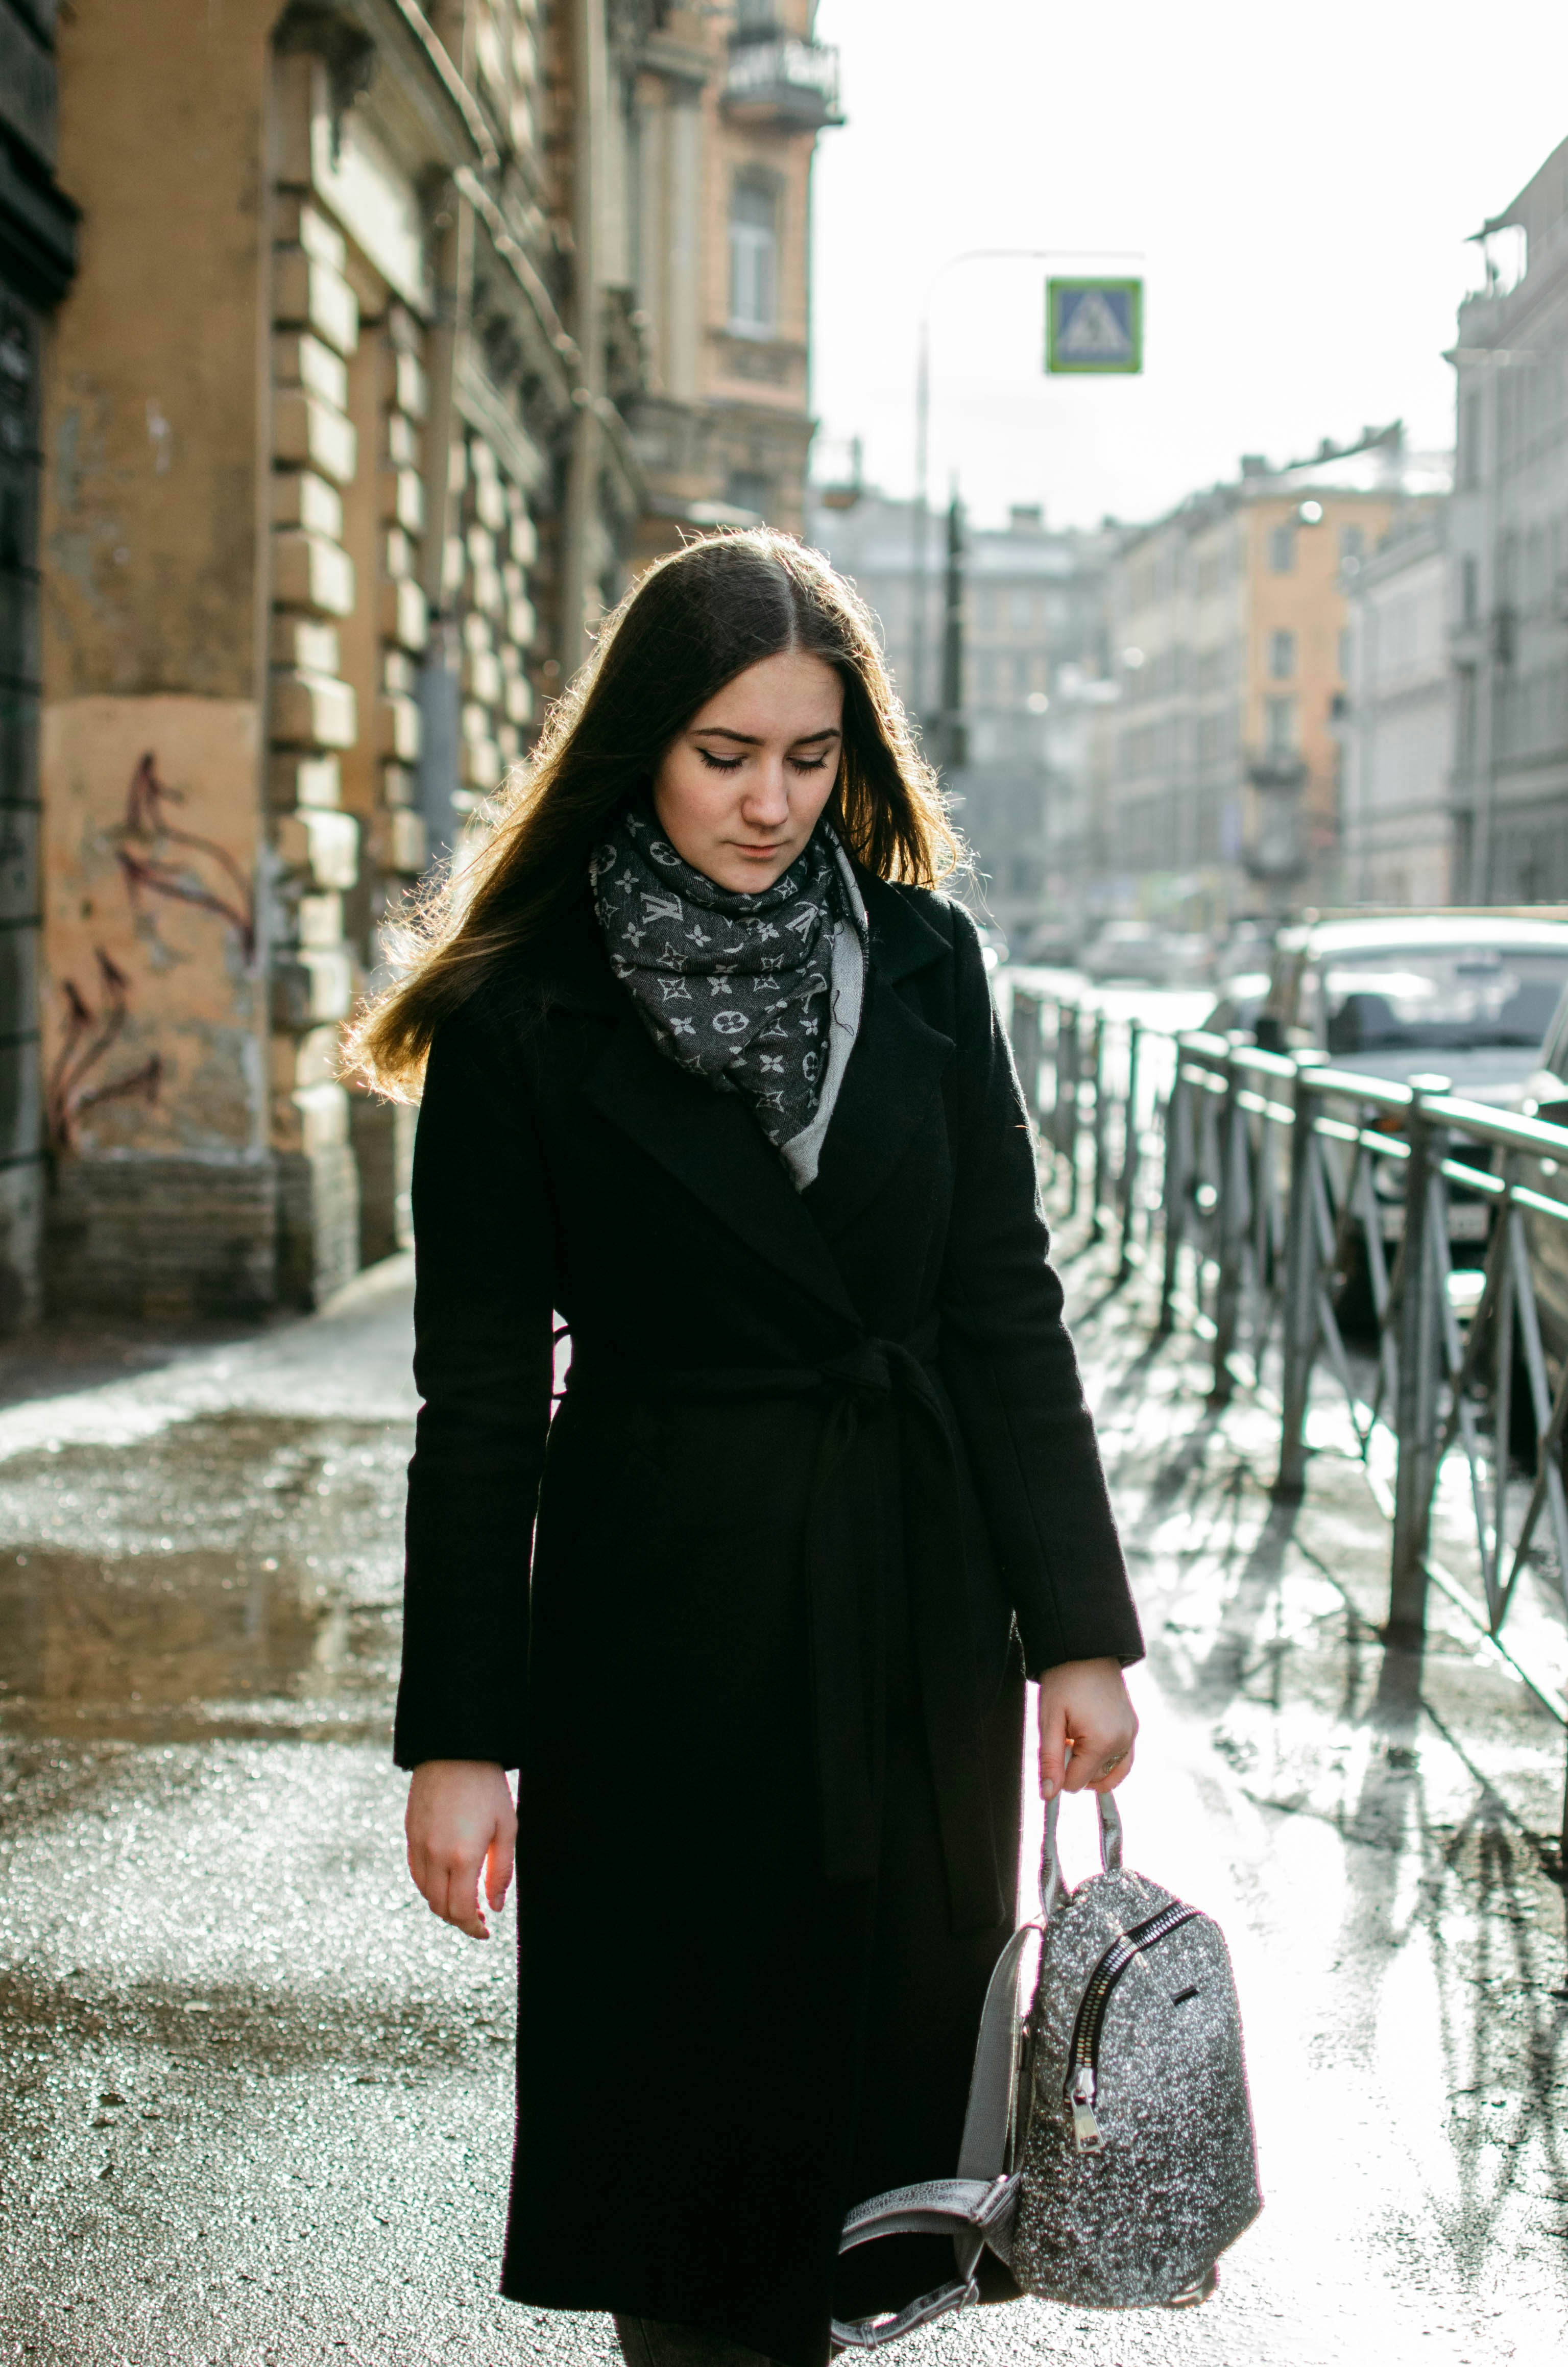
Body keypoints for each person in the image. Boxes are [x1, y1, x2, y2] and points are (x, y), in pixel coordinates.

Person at [348, 530, 1142, 2367]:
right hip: (662, 1632)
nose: (773, 801)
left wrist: (1075, 1630)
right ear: (639, 741)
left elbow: (1004, 1310)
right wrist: (465, 1740)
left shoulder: (928, 962)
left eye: (810, 755)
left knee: (869, 2186)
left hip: (909, 1611)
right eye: (726, 754)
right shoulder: (519, 1014)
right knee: (690, 2179)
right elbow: (472, 1410)